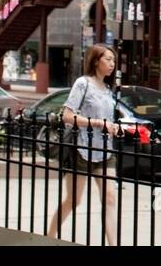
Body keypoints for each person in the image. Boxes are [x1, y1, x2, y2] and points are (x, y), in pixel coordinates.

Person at [46, 44, 125, 243]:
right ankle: (49, 237)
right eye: (108, 59)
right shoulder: (83, 83)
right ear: (96, 60)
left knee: (110, 198)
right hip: (82, 149)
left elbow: (106, 118)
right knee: (74, 200)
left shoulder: (108, 89)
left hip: (105, 150)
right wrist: (98, 123)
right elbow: (67, 115)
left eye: (113, 60)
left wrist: (113, 127)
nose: (112, 64)